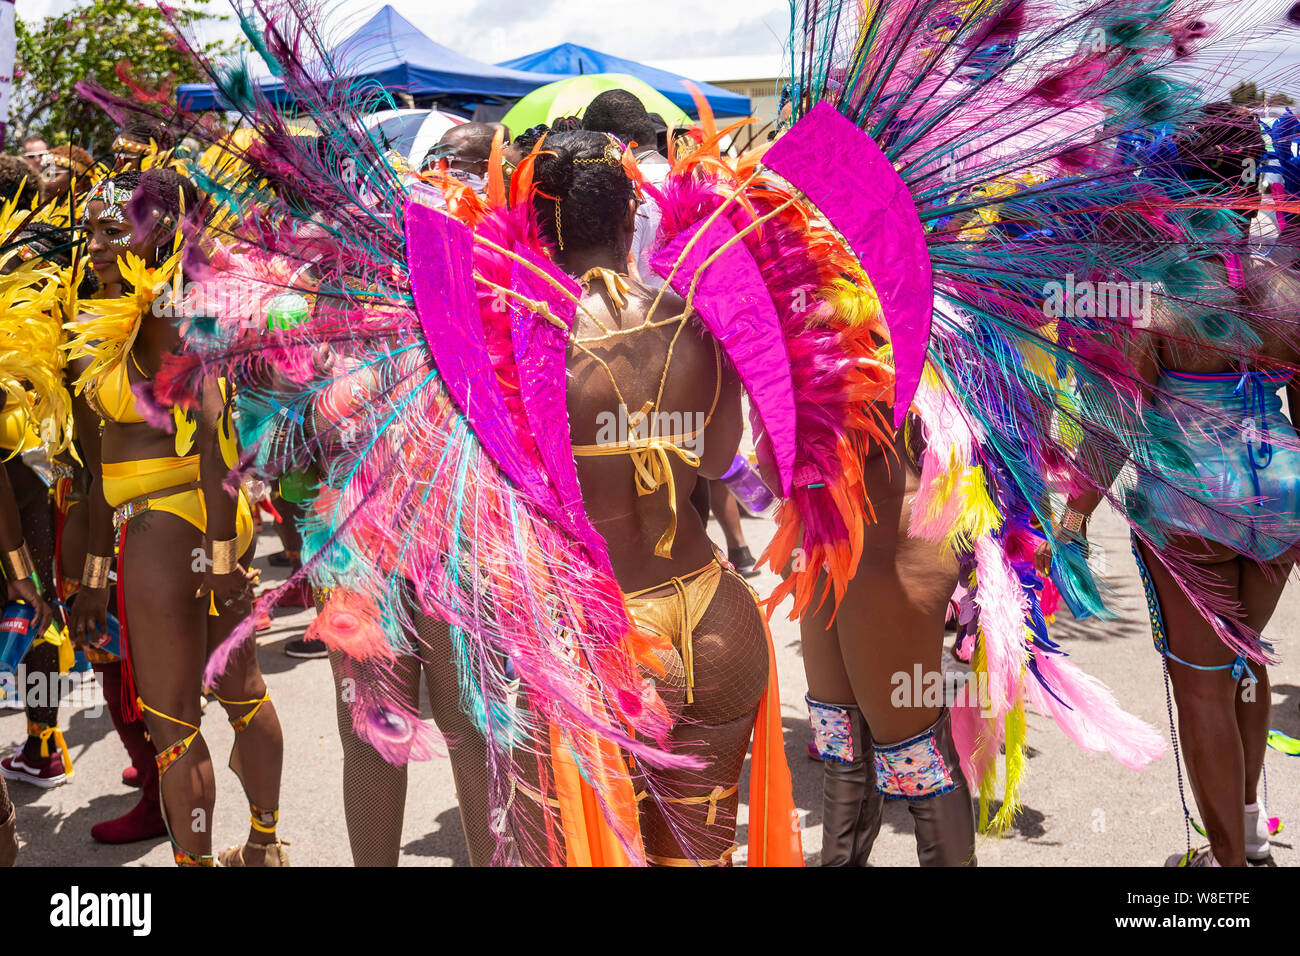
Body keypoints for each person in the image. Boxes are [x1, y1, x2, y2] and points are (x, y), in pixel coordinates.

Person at [1046, 106, 1299, 867]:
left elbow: (1116, 422)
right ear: (1256, 190)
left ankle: (1226, 873)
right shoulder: (1284, 285)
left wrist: (1073, 517)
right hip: (1282, 491)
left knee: (1201, 683)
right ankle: (1250, 840)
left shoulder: (1149, 292)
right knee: (1245, 660)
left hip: (1190, 498)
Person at [65, 168, 287, 867]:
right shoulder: (106, 313)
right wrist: (94, 574)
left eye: (114, 227)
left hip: (176, 524)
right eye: (91, 228)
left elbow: (216, 434)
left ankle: (238, 852)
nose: (96, 243)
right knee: (238, 692)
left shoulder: (169, 310)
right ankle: (263, 848)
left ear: (160, 230)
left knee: (177, 726)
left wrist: (222, 564)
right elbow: (97, 459)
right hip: (175, 526)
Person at [582, 89, 669, 288]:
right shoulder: (696, 181)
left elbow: (625, 286)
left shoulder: (627, 192)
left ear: (607, 142)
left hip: (647, 316)